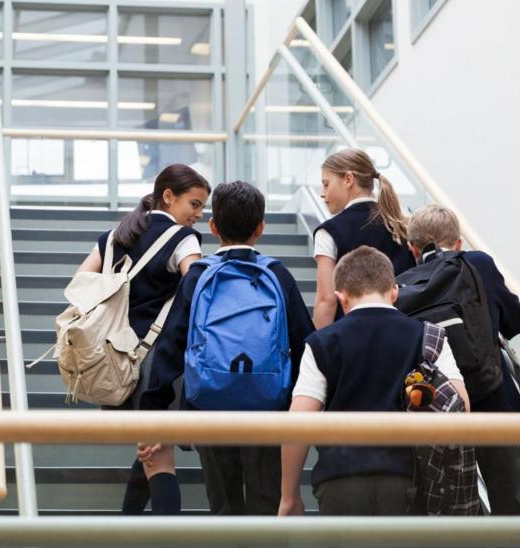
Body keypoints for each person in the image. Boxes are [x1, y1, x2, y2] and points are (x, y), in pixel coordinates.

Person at [139, 181, 314, 515]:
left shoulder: (199, 275)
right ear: (261, 228)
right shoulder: (277, 274)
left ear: (214, 226)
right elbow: (305, 344)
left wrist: (154, 413)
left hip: (210, 406)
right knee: (267, 503)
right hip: (269, 407)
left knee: (223, 508)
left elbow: (171, 346)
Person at [279, 246, 464, 516]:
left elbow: (298, 423)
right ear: (394, 292)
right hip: (408, 482)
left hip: (340, 482)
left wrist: (289, 496)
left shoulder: (321, 343)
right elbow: (462, 406)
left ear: (341, 298)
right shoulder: (429, 337)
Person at [75, 164, 210, 515]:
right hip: (157, 359)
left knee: (150, 451)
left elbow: (80, 282)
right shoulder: (183, 239)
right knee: (158, 456)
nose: (198, 214)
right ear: (169, 196)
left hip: (116, 354)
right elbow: (196, 290)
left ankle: (125, 526)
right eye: (194, 204)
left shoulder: (116, 234)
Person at [405, 204, 520, 515]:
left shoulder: (401, 283)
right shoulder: (478, 263)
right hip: (493, 400)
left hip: (438, 410)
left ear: (412, 248)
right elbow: (515, 321)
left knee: (450, 509)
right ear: (458, 242)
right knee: (509, 505)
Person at [312, 148, 416, 329]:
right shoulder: (402, 226)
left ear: (348, 179)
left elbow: (327, 301)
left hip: (352, 338)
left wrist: (316, 348)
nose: (322, 193)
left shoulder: (329, 232)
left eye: (326, 184)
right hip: (402, 334)